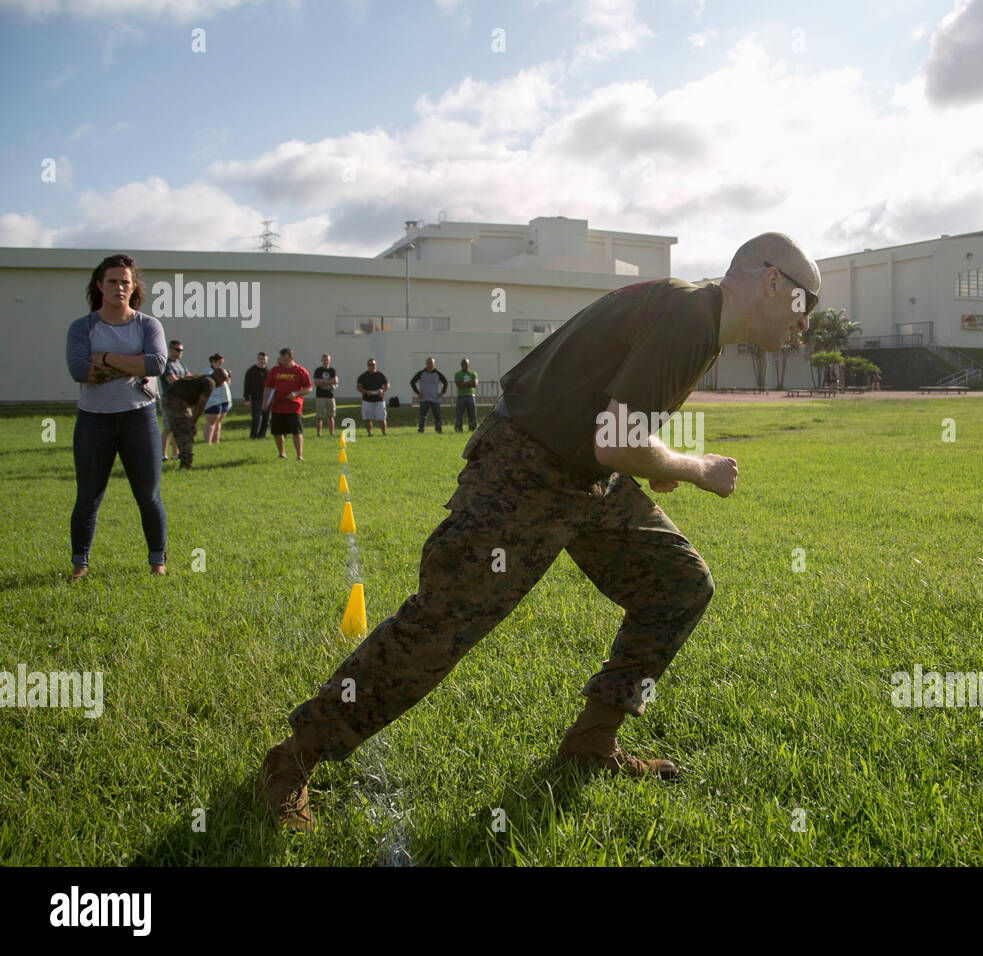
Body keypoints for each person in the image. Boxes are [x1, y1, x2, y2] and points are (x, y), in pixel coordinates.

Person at [258, 232, 820, 830]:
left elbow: (617, 431)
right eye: (804, 306)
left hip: (582, 478)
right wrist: (695, 467)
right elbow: (618, 441)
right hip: (524, 469)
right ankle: (293, 758)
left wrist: (652, 460)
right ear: (772, 281)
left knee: (678, 584)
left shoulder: (697, 318)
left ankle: (593, 742)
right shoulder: (689, 315)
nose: (804, 328)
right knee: (443, 623)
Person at [64, 253, 168, 579]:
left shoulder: (148, 324)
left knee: (148, 496)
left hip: (140, 419)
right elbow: (80, 369)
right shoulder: (82, 327)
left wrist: (105, 357)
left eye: (125, 281)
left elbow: (155, 364)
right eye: (112, 281)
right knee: (88, 497)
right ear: (100, 285)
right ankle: (80, 565)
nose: (119, 287)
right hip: (94, 420)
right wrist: (130, 362)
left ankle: (157, 563)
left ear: (133, 286)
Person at [162, 370, 228, 469]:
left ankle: (185, 459)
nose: (223, 384)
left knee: (185, 429)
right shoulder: (210, 382)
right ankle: (186, 464)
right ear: (218, 376)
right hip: (175, 401)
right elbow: (201, 404)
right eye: (223, 380)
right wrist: (193, 422)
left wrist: (192, 421)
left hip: (173, 399)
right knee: (185, 430)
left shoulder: (203, 377)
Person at [263, 347, 312, 459]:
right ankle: (281, 453)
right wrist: (264, 401)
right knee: (277, 432)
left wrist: (296, 394)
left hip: (293, 407)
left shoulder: (300, 371)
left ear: (291, 358)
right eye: (281, 360)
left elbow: (308, 388)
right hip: (277, 406)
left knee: (296, 432)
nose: (282, 362)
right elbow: (268, 387)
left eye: (285, 360)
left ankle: (299, 455)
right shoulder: (275, 370)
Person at [159, 339, 188, 460]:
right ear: (170, 349)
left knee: (178, 427)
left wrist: (181, 379)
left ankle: (175, 454)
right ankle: (162, 455)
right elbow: (172, 381)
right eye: (177, 349)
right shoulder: (166, 364)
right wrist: (182, 380)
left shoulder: (181, 365)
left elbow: (189, 378)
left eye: (181, 350)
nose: (180, 352)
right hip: (169, 399)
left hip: (180, 399)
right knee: (168, 427)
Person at [410, 357, 448, 434]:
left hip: (435, 399)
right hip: (424, 399)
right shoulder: (421, 373)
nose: (430, 364)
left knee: (437, 416)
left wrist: (441, 393)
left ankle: (438, 430)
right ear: (426, 364)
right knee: (422, 416)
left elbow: (445, 382)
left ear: (434, 364)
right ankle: (421, 430)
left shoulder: (437, 374)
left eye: (431, 363)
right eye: (428, 363)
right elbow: (412, 382)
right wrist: (418, 393)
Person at [202, 353, 230, 443]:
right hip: (212, 400)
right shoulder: (208, 371)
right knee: (211, 421)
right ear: (213, 361)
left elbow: (227, 385)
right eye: (219, 362)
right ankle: (207, 442)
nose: (221, 365)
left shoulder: (222, 371)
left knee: (218, 422)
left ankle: (216, 441)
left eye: (222, 363)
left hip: (223, 399)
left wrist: (228, 377)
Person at [357, 358, 389, 436]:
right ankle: (370, 433)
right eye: (370, 365)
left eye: (373, 364)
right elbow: (359, 387)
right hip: (367, 400)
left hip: (379, 400)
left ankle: (384, 433)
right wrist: (366, 392)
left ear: (375, 365)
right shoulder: (363, 376)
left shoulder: (380, 375)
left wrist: (382, 390)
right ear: (367, 366)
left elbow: (387, 385)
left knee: (382, 418)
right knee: (367, 418)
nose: (371, 366)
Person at [244, 352, 269, 439]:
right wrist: (247, 398)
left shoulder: (269, 372)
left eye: (264, 359)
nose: (262, 361)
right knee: (257, 418)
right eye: (261, 359)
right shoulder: (251, 371)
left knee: (266, 419)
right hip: (256, 399)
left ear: (267, 360)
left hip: (267, 399)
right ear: (257, 359)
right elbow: (247, 386)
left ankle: (262, 435)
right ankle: (253, 435)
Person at [313, 354, 338, 438]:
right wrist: (328, 382)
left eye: (327, 359)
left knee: (330, 416)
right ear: (321, 360)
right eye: (324, 359)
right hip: (320, 396)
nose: (325, 361)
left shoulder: (332, 370)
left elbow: (334, 381)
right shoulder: (318, 370)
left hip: (330, 396)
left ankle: (331, 433)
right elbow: (316, 382)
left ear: (329, 360)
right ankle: (319, 434)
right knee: (319, 416)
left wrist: (322, 381)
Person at [454, 358, 478, 432]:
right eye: (463, 364)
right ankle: (458, 428)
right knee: (459, 414)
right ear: (461, 365)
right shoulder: (457, 374)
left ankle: (472, 428)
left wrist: (464, 383)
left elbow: (475, 384)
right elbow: (459, 385)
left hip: (470, 396)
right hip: (461, 396)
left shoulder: (473, 373)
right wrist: (469, 383)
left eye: (466, 364)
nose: (464, 365)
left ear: (468, 364)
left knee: (472, 414)